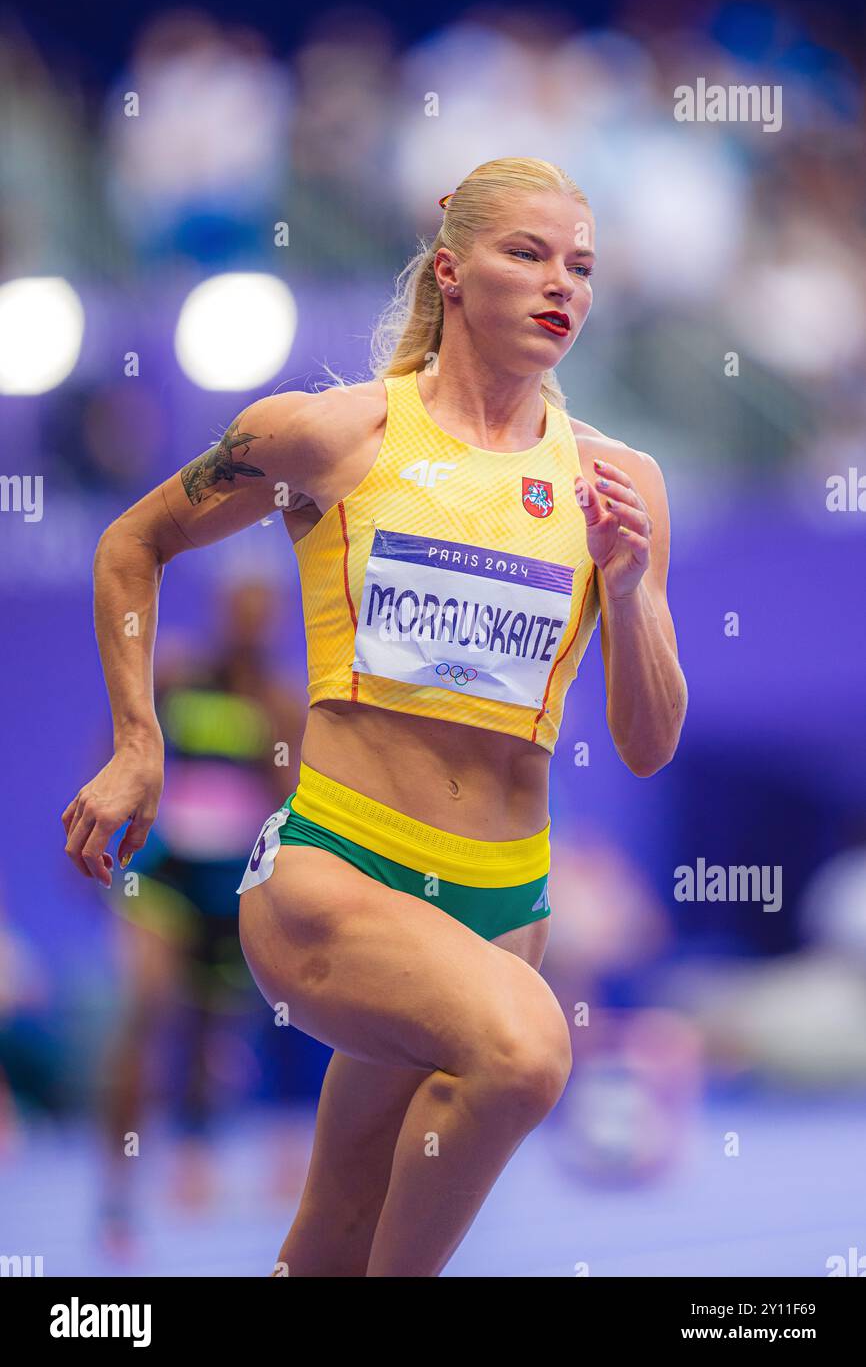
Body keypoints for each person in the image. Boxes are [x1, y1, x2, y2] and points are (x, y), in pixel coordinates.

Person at [62, 156, 688, 1277]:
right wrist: (137, 742)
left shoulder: (616, 481)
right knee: (526, 1047)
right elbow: (131, 543)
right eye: (528, 254)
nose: (562, 286)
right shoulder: (331, 436)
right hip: (331, 878)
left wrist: (629, 583)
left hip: (504, 905)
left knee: (332, 1241)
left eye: (581, 266)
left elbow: (645, 744)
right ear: (450, 271)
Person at [97, 578, 305, 1248]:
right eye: (237, 610)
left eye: (259, 614)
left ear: (269, 624)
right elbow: (126, 751)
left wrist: (268, 726)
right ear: (223, 613)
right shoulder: (178, 676)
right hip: (167, 875)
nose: (246, 622)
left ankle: (191, 1149)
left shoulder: (278, 702)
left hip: (232, 883)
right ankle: (117, 1193)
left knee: (211, 1034)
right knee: (149, 1007)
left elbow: (292, 796)